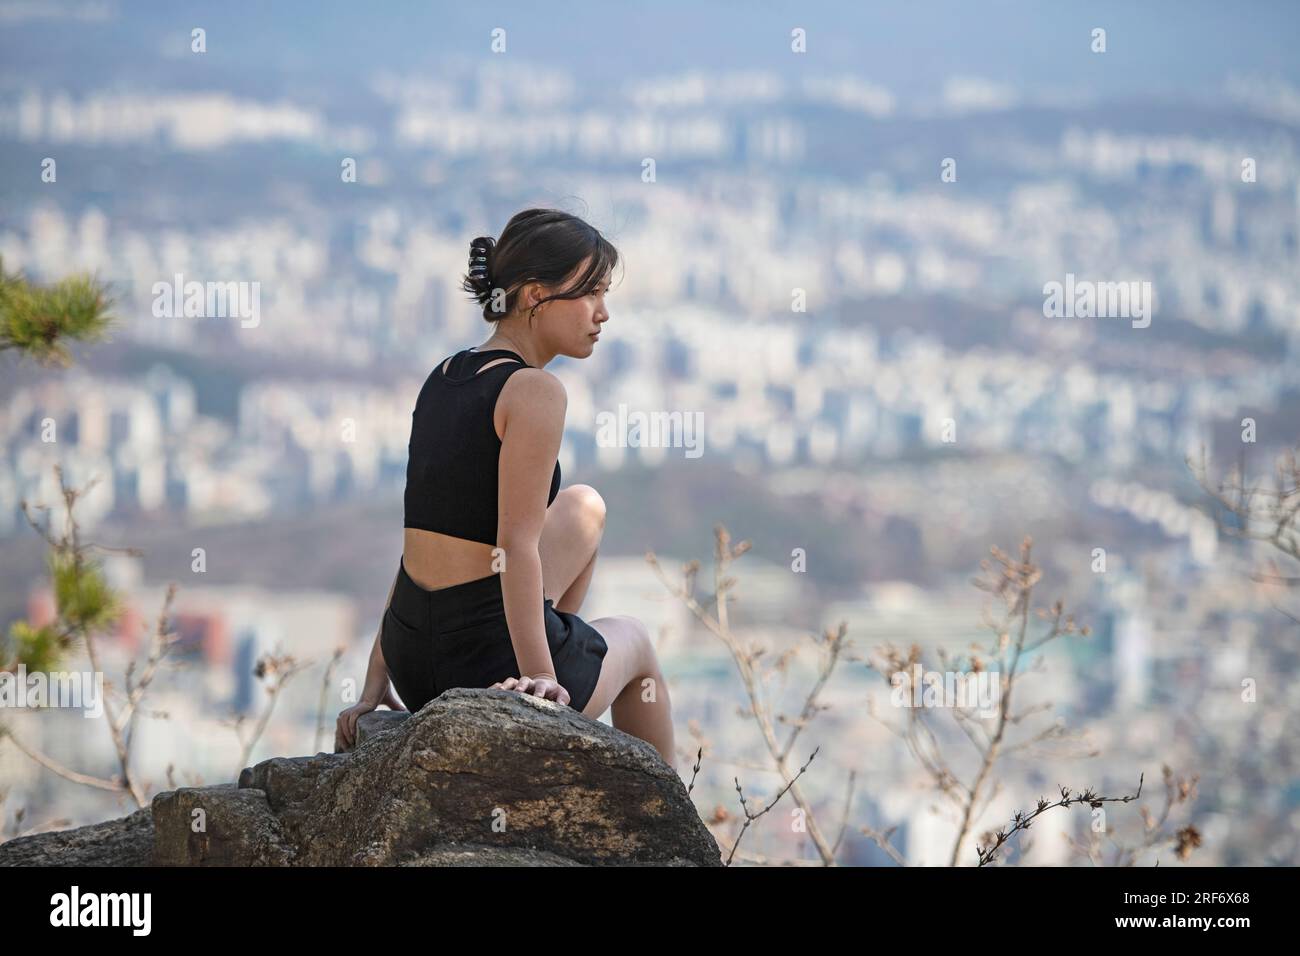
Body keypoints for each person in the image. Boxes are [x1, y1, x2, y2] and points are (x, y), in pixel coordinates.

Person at [335, 208, 677, 771]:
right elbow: (515, 547)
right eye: (590, 293)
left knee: (584, 507)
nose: (603, 313)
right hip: (486, 667)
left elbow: (420, 534)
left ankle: (550, 643)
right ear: (536, 297)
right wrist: (542, 680)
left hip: (415, 659)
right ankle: (666, 829)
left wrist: (378, 679)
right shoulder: (536, 391)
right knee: (636, 640)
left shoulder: (446, 374)